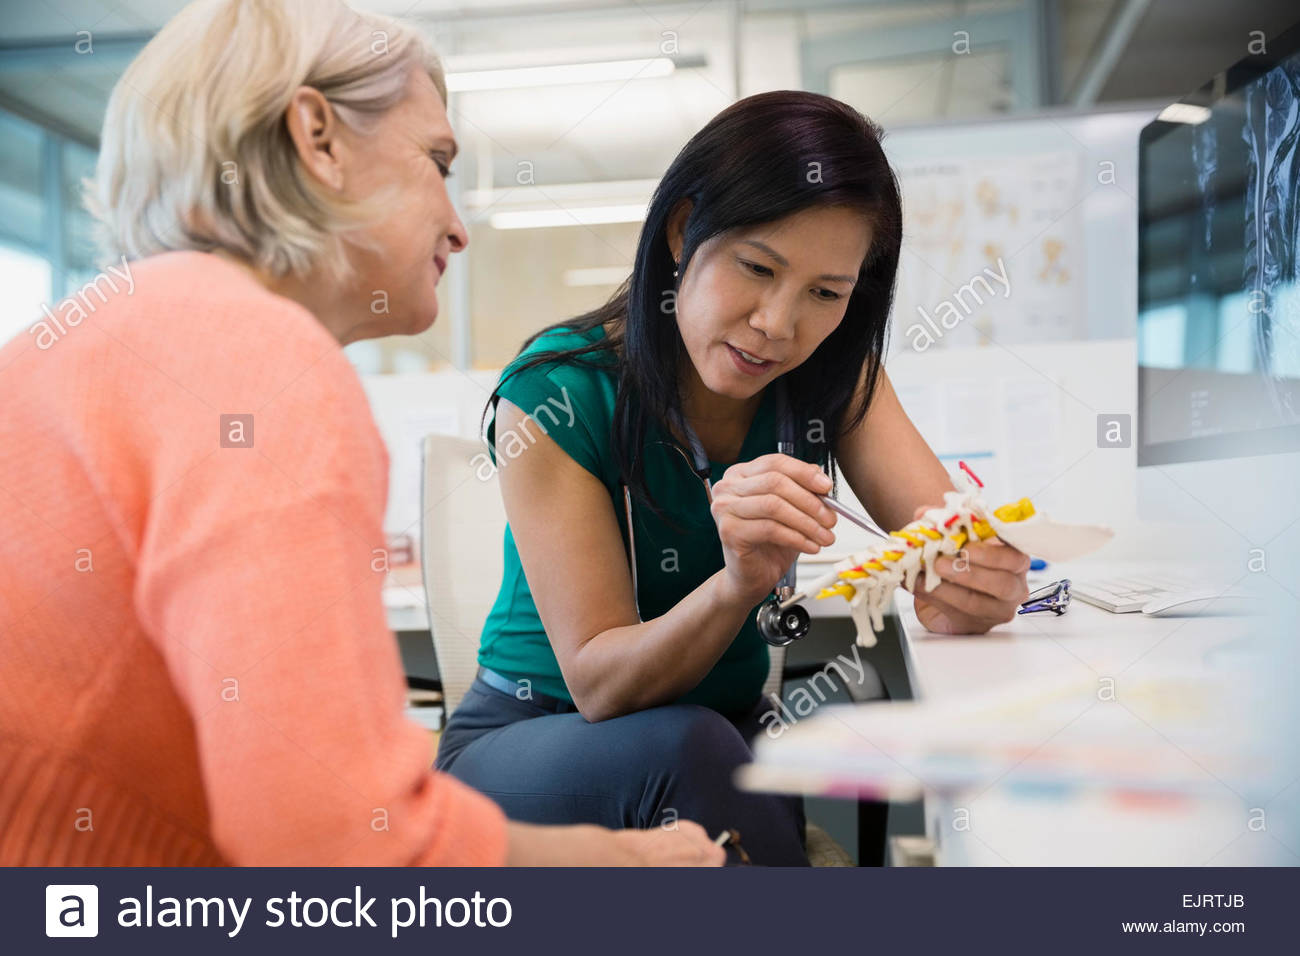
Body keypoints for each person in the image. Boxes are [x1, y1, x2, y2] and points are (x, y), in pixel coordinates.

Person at [0, 0, 722, 868]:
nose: (459, 225)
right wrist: (634, 865)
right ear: (318, 137)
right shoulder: (254, 357)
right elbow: (341, 849)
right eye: (437, 161)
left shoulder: (78, 339)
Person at [436, 90, 1032, 865]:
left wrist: (973, 585)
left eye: (826, 293)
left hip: (719, 738)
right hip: (531, 738)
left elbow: (945, 539)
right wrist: (738, 581)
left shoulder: (835, 375)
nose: (779, 325)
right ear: (685, 231)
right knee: (704, 750)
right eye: (758, 267)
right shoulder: (555, 393)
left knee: (744, 751)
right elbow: (599, 685)